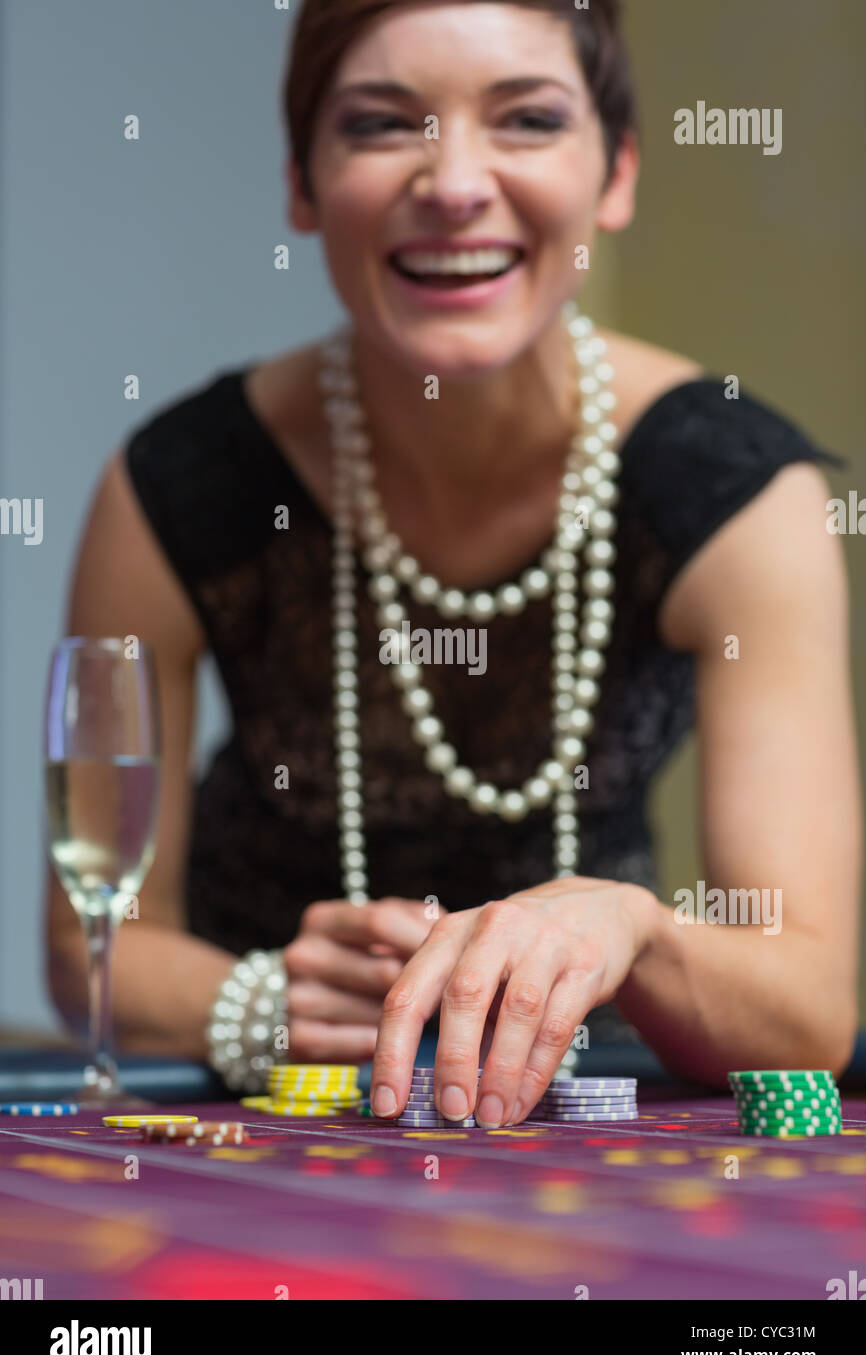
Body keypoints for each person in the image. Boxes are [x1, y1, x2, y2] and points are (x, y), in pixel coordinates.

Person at [45, 0, 861, 1125]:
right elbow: (93, 940)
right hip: (274, 1118)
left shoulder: (737, 489)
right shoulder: (171, 487)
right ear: (300, 181)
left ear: (614, 173)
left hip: (588, 1118)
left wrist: (635, 928)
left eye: (525, 119)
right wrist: (256, 998)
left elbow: (808, 1005)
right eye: (383, 126)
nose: (454, 182)